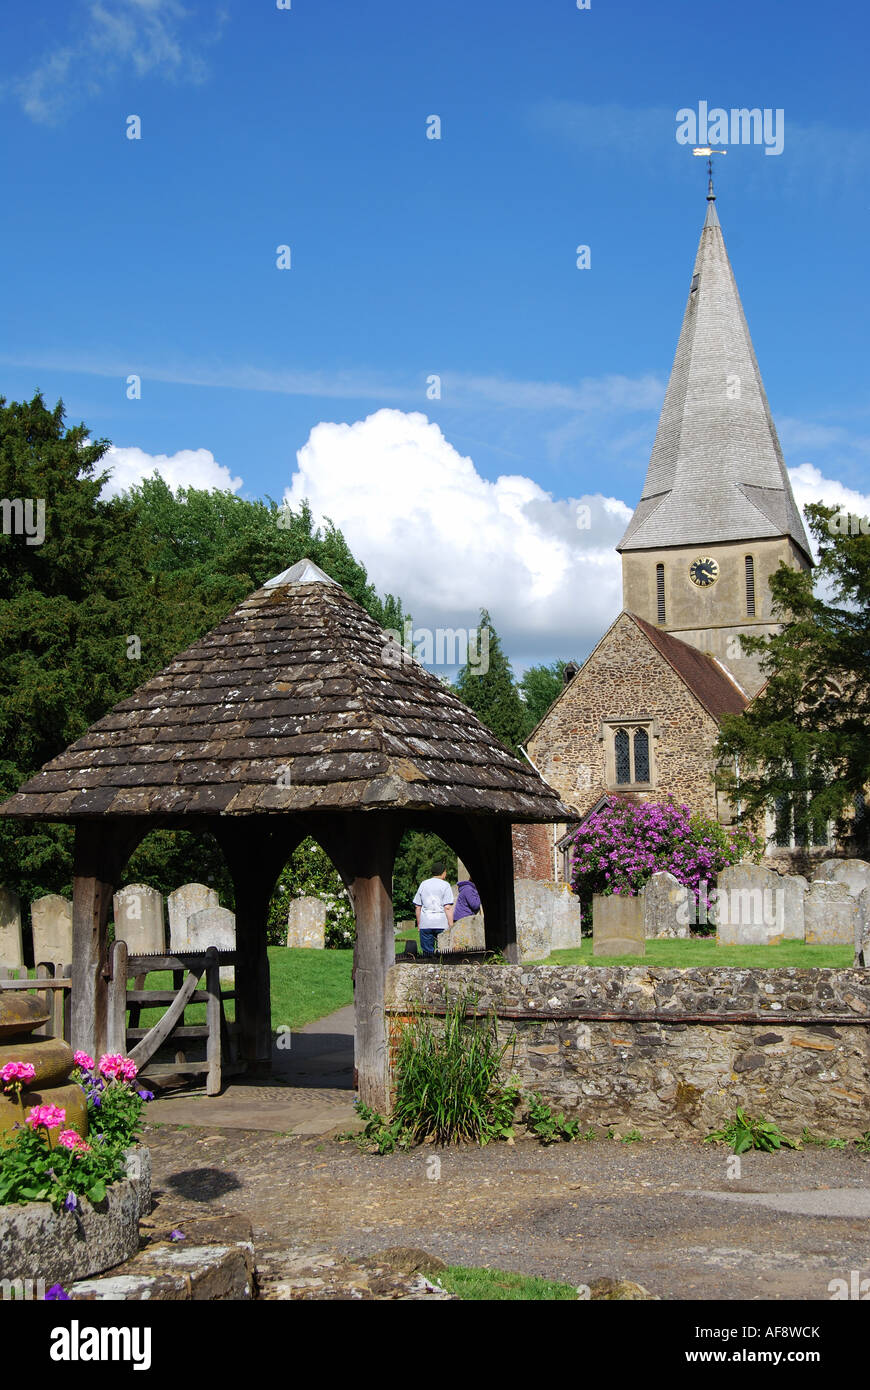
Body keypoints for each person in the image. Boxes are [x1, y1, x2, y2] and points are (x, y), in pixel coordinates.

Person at [413, 861, 454, 956]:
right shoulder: (445, 885)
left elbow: (417, 906)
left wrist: (419, 924)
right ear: (443, 872)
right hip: (441, 923)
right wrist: (451, 925)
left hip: (426, 923)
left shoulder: (423, 884)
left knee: (427, 955)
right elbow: (447, 907)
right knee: (444, 953)